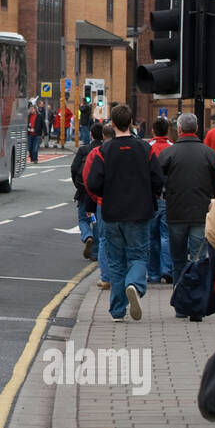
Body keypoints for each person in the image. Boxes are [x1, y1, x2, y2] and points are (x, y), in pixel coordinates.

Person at [86, 105, 164, 321]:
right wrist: (150, 194)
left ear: (112, 124)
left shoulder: (104, 151)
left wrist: (107, 193)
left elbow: (93, 183)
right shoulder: (145, 149)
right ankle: (135, 284)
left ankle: (118, 311)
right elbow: (158, 179)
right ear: (131, 123)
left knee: (116, 262)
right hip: (139, 212)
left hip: (112, 213)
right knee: (138, 255)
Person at [158, 112, 215, 278]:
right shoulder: (210, 154)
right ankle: (196, 290)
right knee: (198, 259)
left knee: (178, 260)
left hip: (176, 212)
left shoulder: (168, 154)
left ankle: (179, 289)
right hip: (201, 212)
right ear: (196, 128)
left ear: (179, 129)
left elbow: (157, 181)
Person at [71, 121, 103, 262]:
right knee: (95, 221)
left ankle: (87, 236)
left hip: (84, 193)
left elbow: (74, 168)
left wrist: (78, 186)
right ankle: (95, 253)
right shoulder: (105, 149)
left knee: (83, 219)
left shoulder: (84, 150)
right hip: (98, 195)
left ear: (91, 134)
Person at [146, 118, 173, 285]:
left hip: (150, 198)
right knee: (166, 236)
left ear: (153, 131)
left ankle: (153, 274)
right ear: (167, 131)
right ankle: (168, 270)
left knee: (151, 237)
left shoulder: (148, 147)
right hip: (168, 197)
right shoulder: (172, 146)